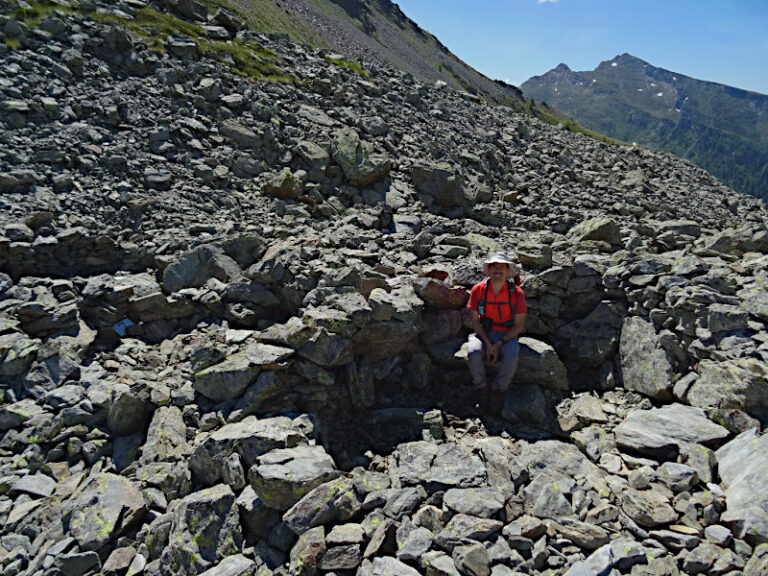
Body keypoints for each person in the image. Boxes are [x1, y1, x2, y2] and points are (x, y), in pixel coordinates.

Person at [466, 252, 527, 414]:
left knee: (512, 355)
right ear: (488, 270)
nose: (497, 270)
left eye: (502, 267)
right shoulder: (478, 290)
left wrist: (499, 344)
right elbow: (474, 321)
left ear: (508, 271)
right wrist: (487, 343)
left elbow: (518, 326)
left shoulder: (517, 293)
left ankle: (498, 390)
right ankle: (482, 388)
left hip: (507, 335)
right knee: (473, 351)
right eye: (494, 267)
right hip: (484, 333)